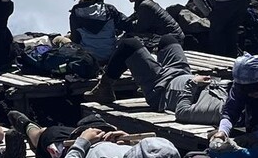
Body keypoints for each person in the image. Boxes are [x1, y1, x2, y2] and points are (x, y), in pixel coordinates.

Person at [86, 34, 228, 124]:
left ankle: (104, 87)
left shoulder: (220, 111)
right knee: (169, 40)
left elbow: (182, 112)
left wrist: (193, 83)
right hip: (181, 74)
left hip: (161, 90)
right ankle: (148, 67)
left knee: (128, 45)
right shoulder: (235, 95)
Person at [67, 0, 124, 67]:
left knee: (61, 39)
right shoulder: (110, 9)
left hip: (89, 59)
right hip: (110, 56)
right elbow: (124, 25)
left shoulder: (75, 13)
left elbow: (75, 39)